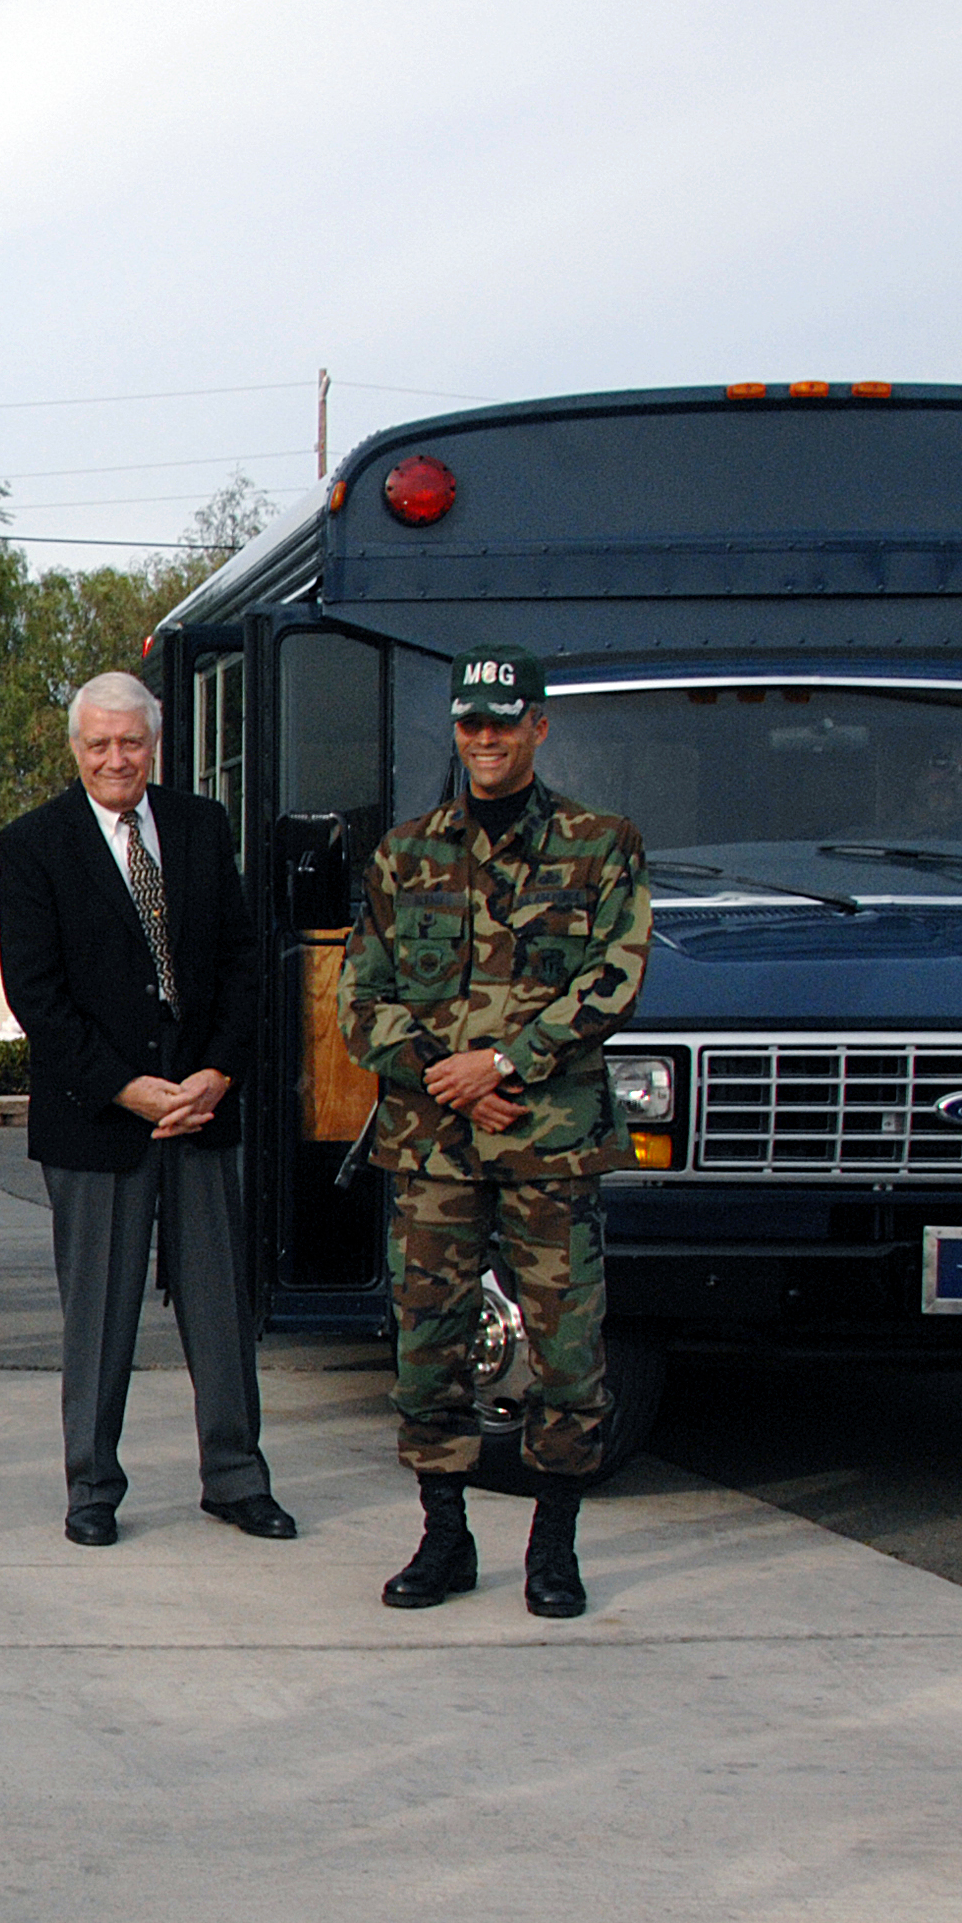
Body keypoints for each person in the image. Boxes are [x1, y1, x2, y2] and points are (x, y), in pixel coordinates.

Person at [337, 645, 652, 1619]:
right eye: (470, 723)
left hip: (550, 1146)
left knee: (568, 1354)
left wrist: (507, 1064)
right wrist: (457, 1079)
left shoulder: (601, 846)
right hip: (434, 1147)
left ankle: (552, 1547)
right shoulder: (405, 852)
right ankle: (445, 1536)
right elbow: (360, 1000)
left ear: (538, 728)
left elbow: (616, 978)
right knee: (429, 1347)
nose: (485, 739)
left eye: (503, 723)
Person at [0, 673, 294, 1550]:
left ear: (154, 744)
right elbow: (37, 997)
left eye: (131, 743)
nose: (116, 759)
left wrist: (217, 1074)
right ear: (75, 749)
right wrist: (125, 1087)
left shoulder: (201, 828)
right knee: (99, 1317)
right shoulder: (34, 845)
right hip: (99, 1118)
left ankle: (236, 1478)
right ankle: (92, 1487)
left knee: (220, 1309)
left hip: (201, 1109)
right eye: (100, 745)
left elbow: (244, 964)